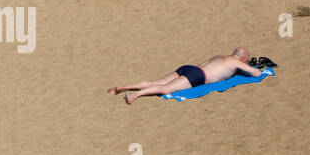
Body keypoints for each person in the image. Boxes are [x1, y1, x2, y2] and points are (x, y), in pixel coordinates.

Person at [107, 47, 262, 105]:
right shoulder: (237, 62)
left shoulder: (220, 56)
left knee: (157, 82)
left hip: (188, 68)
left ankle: (124, 87)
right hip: (198, 76)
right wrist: (249, 67)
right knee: (165, 89)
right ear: (242, 58)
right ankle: (135, 94)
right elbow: (257, 73)